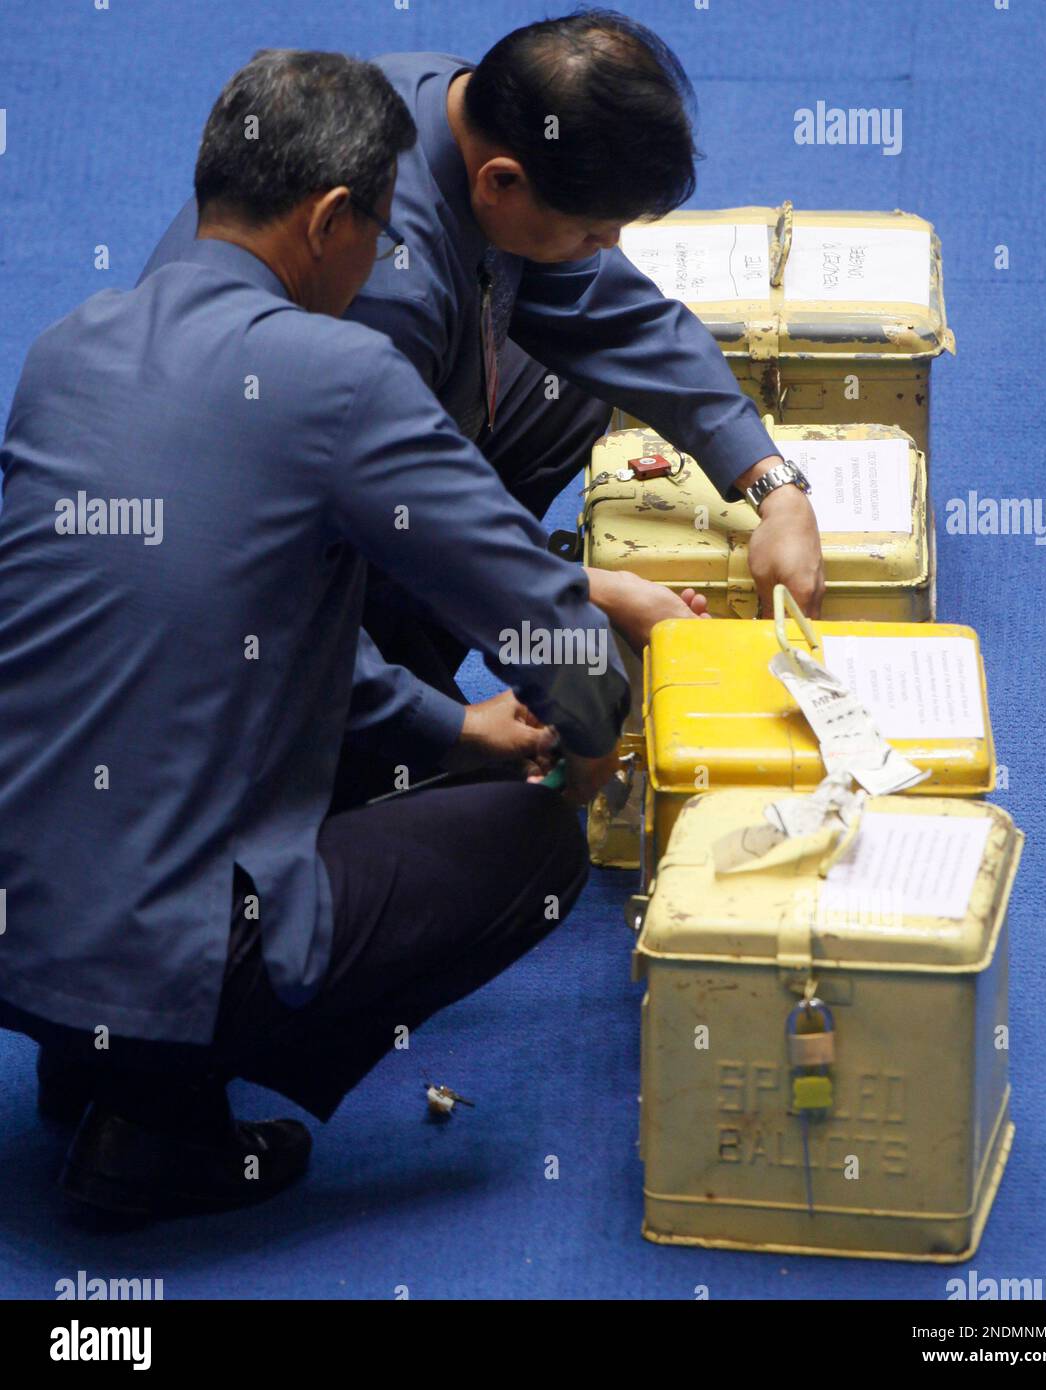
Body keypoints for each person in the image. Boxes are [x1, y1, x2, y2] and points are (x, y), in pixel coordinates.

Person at [0, 50, 629, 1221]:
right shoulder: (339, 375)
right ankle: (160, 1119)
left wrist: (452, 732)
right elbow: (549, 635)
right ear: (334, 220)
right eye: (382, 232)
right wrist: (602, 718)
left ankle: (87, 1053)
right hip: (174, 953)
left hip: (17, 923)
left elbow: (202, 617)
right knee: (539, 847)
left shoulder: (67, 346)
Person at [143, 11, 825, 795]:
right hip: (266, 566)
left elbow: (612, 314)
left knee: (566, 389)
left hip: (328, 440)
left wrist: (772, 485)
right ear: (499, 182)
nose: (605, 249)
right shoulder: (381, 296)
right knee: (506, 826)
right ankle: (388, 710)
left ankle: (433, 637)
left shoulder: (452, 99)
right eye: (592, 231)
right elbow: (401, 522)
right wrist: (590, 609)